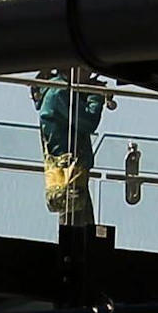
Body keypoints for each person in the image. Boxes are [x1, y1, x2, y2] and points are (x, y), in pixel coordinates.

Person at [31, 74, 105, 231]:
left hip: (67, 173)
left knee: (78, 227)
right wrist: (95, 95)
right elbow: (88, 121)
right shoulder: (60, 93)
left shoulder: (55, 91)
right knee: (78, 232)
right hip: (71, 174)